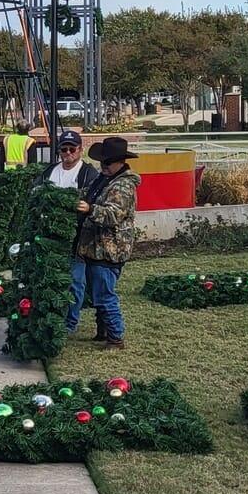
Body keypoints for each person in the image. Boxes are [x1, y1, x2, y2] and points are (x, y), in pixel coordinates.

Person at [67, 135, 141, 349]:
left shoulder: (123, 187)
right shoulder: (103, 180)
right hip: (95, 248)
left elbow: (113, 215)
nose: (104, 166)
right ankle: (104, 331)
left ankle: (115, 337)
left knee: (104, 295)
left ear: (121, 162)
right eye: (102, 162)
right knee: (98, 293)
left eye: (108, 162)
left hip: (109, 250)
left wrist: (90, 210)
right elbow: (87, 195)